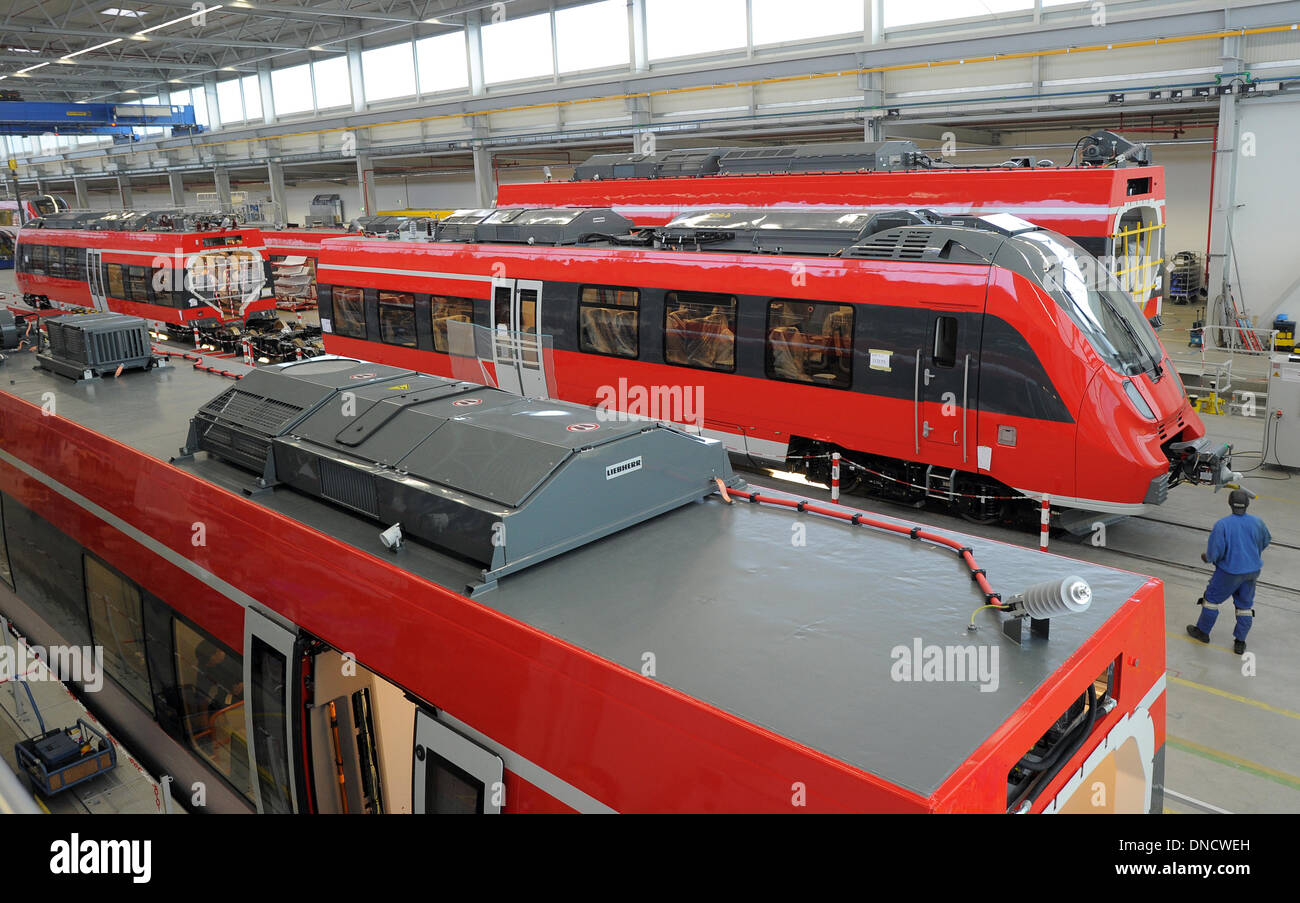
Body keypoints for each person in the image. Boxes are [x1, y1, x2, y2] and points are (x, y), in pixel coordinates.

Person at [1187, 489, 1270, 654]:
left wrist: (1207, 557)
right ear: (1247, 505)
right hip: (1252, 571)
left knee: (1211, 600)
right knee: (1245, 605)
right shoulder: (1258, 522)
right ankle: (1240, 642)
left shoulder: (1223, 524)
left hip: (1229, 572)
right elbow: (1265, 541)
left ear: (1230, 504)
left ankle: (1203, 632)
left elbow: (1214, 552)